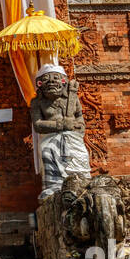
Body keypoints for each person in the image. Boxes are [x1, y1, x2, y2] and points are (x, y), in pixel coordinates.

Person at [30, 63, 91, 195]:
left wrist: (78, 126)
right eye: (46, 79)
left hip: (72, 137)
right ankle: (55, 188)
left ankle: (82, 184)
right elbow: (38, 124)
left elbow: (79, 117)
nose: (51, 81)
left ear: (64, 81)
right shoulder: (37, 103)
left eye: (55, 78)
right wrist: (60, 125)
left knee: (81, 155)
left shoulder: (72, 98)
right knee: (47, 152)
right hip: (50, 138)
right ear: (39, 84)